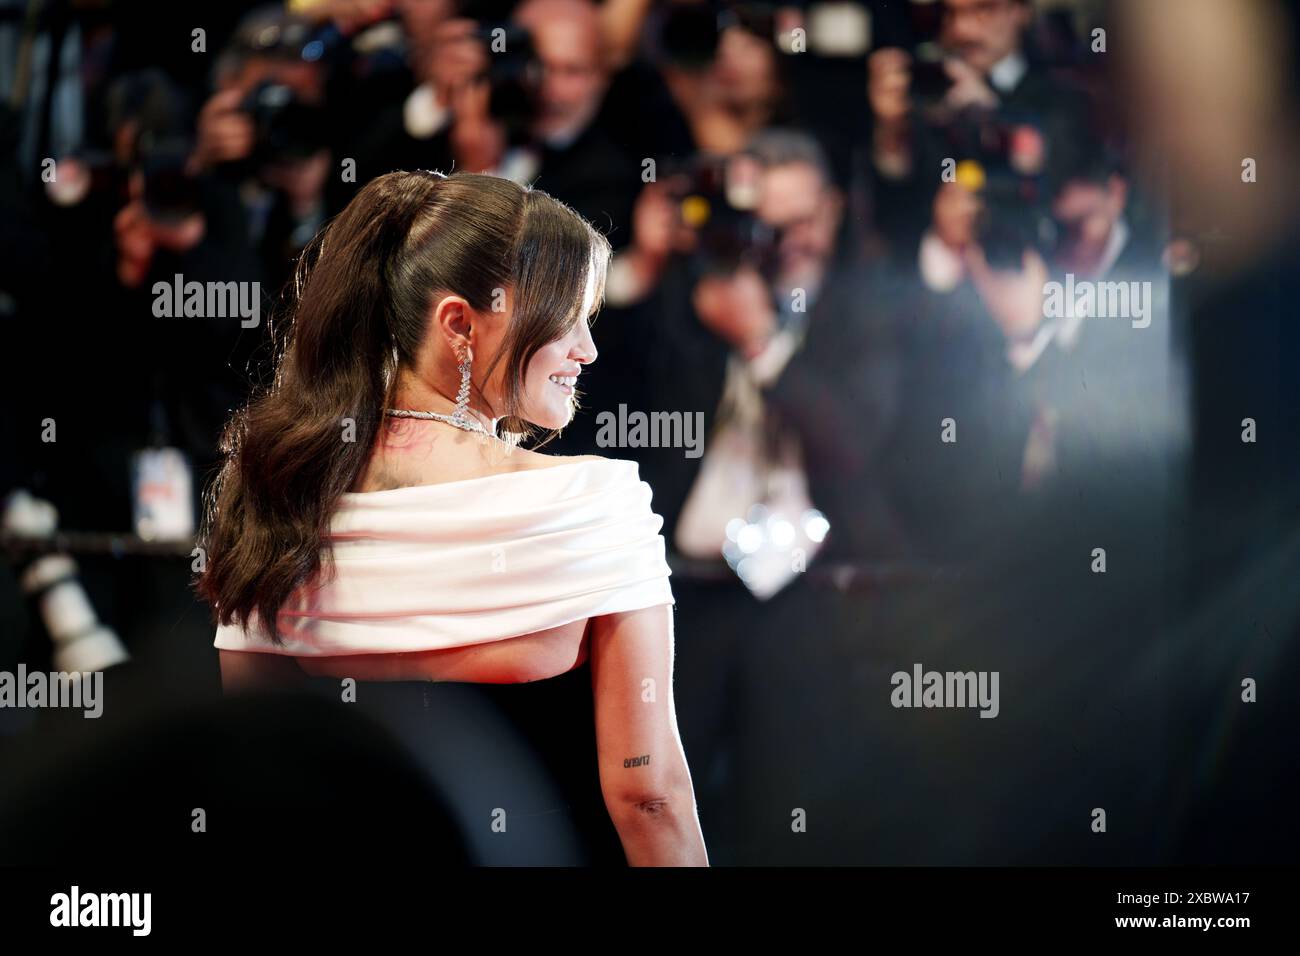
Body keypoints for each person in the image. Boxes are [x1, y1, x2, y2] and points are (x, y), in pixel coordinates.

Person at [193, 169, 708, 867]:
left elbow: (252, 777)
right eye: (567, 314)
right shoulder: (593, 503)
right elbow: (649, 796)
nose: (587, 349)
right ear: (460, 324)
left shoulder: (274, 493)